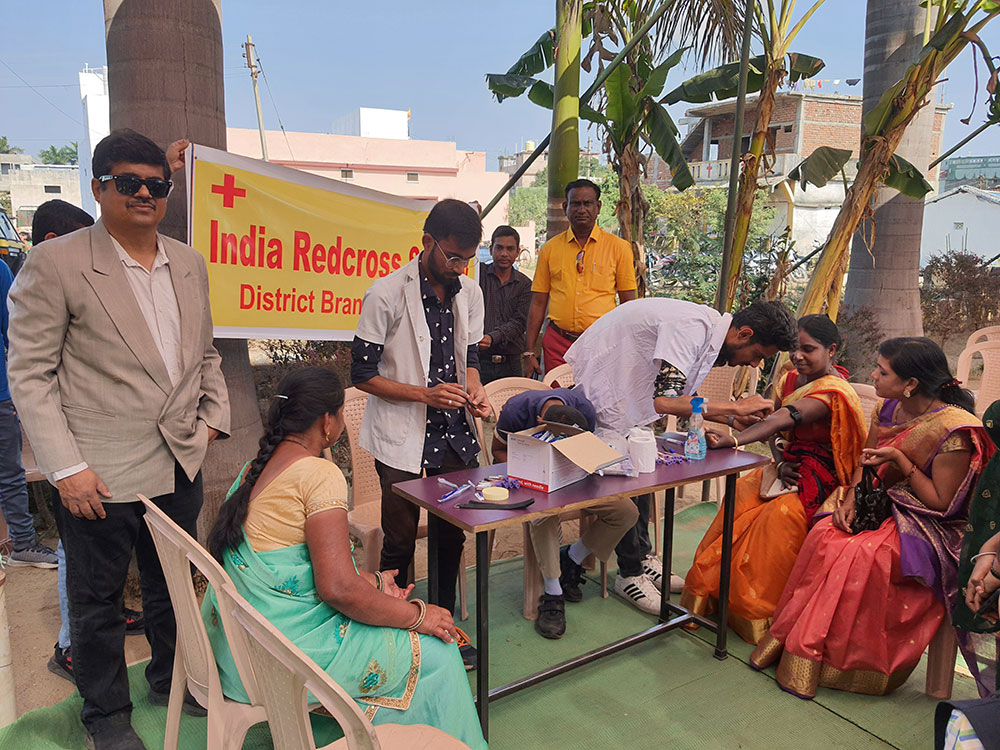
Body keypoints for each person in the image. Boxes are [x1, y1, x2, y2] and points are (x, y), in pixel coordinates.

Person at [8, 129, 230, 750]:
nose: (143, 194)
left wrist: (212, 418)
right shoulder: (57, 263)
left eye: (155, 184)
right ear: (100, 186)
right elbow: (29, 372)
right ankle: (106, 715)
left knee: (171, 585)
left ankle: (171, 679)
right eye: (127, 182)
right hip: (96, 471)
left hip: (180, 458)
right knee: (97, 599)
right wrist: (64, 466)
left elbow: (205, 354)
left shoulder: (188, 262)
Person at [202, 368, 486, 749]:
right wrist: (419, 616)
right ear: (327, 421)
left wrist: (372, 582)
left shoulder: (253, 471)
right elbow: (336, 589)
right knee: (438, 649)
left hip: (237, 652)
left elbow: (299, 568)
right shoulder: (319, 474)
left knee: (390, 615)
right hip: (282, 657)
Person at [750, 338, 993, 699]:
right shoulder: (888, 407)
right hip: (881, 500)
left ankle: (847, 664)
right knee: (824, 534)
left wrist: (900, 460)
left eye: (883, 371)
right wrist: (849, 497)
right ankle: (796, 647)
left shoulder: (954, 430)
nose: (873, 376)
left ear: (911, 384)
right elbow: (867, 463)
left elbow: (942, 503)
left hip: (930, 521)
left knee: (861, 555)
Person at [565, 297, 798, 614]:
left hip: (628, 396)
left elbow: (683, 400)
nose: (755, 364)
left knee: (643, 468)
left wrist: (728, 420)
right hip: (606, 392)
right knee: (632, 478)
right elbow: (666, 402)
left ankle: (642, 558)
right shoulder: (691, 328)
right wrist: (733, 407)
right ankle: (629, 574)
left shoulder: (707, 331)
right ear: (743, 334)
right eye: (757, 355)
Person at [351, 199, 491, 668]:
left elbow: (469, 358)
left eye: (467, 259)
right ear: (426, 242)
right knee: (399, 540)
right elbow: (361, 374)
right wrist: (424, 394)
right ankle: (400, 635)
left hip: (454, 433)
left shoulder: (469, 292)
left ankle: (444, 624)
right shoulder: (386, 294)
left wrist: (474, 391)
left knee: (454, 531)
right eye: (452, 257)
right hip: (402, 435)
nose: (459, 267)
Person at [681, 315, 867, 643]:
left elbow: (785, 416)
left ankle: (758, 611)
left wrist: (734, 440)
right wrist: (780, 463)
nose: (798, 356)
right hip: (787, 465)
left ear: (832, 350)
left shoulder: (834, 391)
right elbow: (774, 427)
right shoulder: (789, 379)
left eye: (808, 349)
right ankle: (714, 594)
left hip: (824, 475)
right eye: (796, 348)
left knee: (780, 517)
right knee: (740, 495)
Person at [490, 388, 638, 638]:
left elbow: (587, 453)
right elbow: (497, 452)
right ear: (540, 422)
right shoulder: (515, 411)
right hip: (530, 481)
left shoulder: (585, 409)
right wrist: (530, 469)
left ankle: (571, 559)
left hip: (573, 478)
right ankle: (552, 592)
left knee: (626, 512)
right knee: (544, 515)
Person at [523, 179, 636, 376]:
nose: (581, 210)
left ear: (598, 207)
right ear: (565, 207)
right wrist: (529, 351)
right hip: (558, 344)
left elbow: (629, 304)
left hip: (602, 343)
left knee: (599, 403)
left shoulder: (619, 248)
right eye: (575, 204)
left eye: (587, 203)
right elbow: (538, 303)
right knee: (559, 402)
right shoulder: (549, 249)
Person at [478, 225, 532, 384]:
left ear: (517, 253)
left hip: (511, 363)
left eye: (510, 249)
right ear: (490, 250)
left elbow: (519, 322)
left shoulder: (525, 285)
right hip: (479, 361)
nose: (504, 253)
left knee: (512, 407)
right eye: (499, 248)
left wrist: (492, 338)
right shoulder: (478, 276)